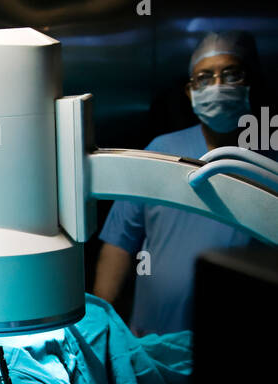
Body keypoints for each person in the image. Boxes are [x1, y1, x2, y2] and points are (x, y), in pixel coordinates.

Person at [93, 30, 272, 334]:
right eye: (204, 77)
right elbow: (119, 244)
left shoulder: (269, 165)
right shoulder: (161, 152)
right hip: (153, 342)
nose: (217, 86)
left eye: (231, 74)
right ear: (190, 91)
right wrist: (101, 329)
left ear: (250, 81)